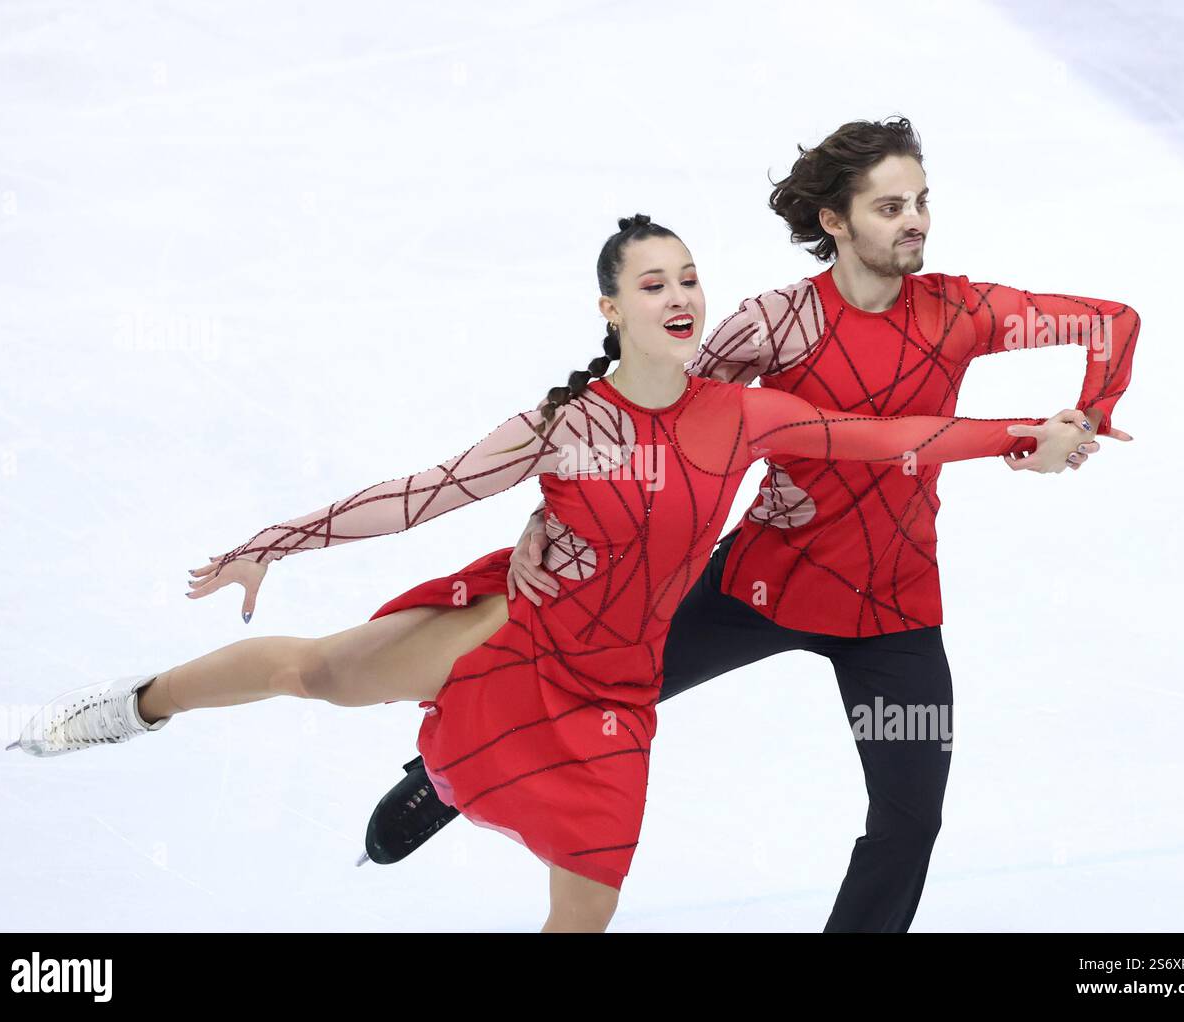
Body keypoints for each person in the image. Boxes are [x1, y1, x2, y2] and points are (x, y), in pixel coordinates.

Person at [9, 213, 1091, 933]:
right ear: (611, 308)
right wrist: (277, 543)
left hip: (616, 698)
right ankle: (131, 704)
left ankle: (434, 778)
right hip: (513, 636)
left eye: (688, 277)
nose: (679, 294)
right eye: (651, 282)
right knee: (321, 671)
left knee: (584, 911)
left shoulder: (747, 413)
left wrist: (1015, 434)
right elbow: (420, 492)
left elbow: (881, 437)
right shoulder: (567, 422)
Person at [359, 116, 1141, 933]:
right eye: (888, 206)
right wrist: (547, 512)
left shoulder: (964, 311)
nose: (914, 220)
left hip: (895, 609)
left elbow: (1112, 321)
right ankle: (442, 777)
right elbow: (652, 421)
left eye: (920, 201)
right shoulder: (776, 323)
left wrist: (1085, 419)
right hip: (760, 583)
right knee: (571, 686)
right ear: (834, 222)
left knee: (909, 821)